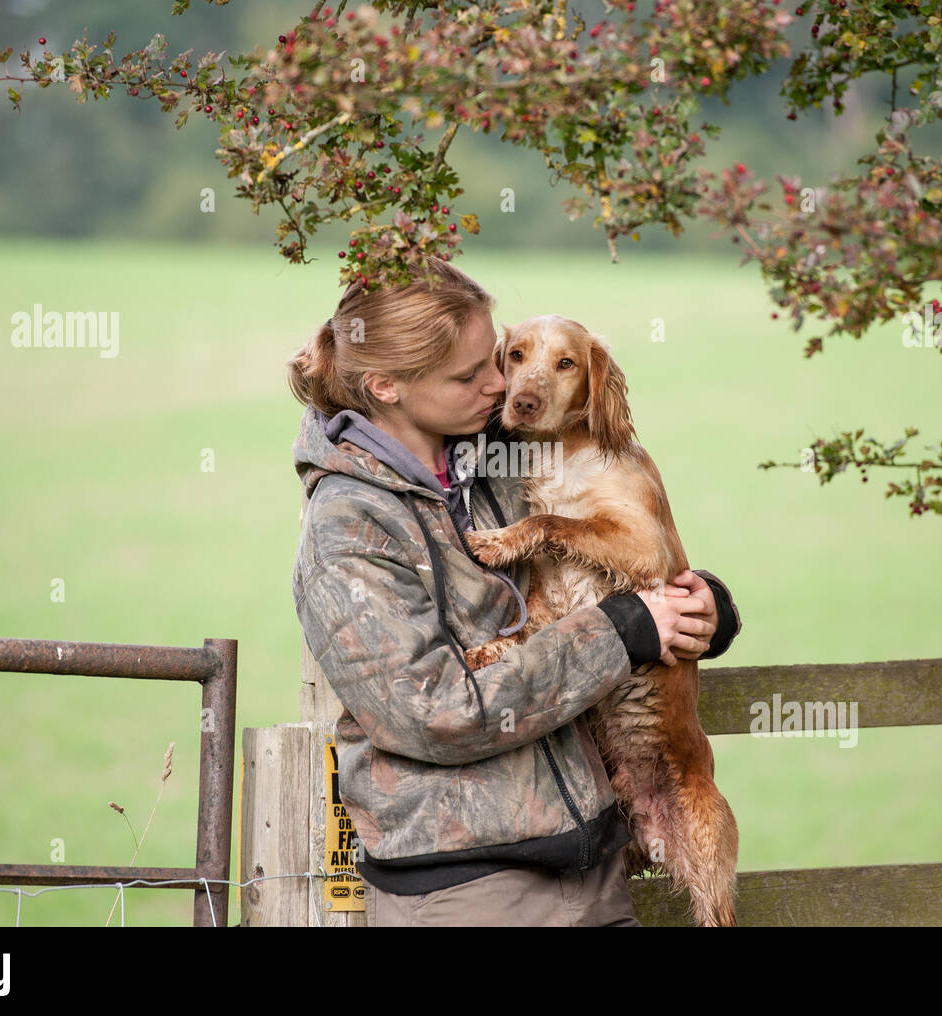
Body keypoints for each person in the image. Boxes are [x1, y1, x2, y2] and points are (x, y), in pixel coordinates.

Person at [288, 256, 742, 927]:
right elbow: (434, 713)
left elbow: (614, 532)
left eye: (496, 358)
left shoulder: (504, 452)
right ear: (386, 385)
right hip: (468, 893)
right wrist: (622, 630)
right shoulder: (349, 526)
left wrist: (703, 604)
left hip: (594, 866)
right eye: (473, 373)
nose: (503, 384)